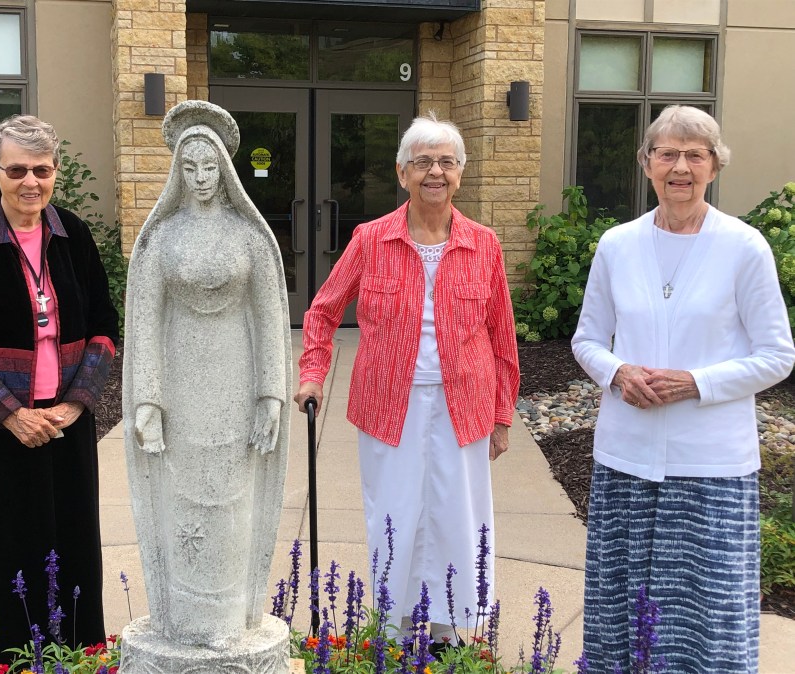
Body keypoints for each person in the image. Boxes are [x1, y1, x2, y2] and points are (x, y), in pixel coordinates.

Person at [572, 105, 795, 673]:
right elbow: (588, 340)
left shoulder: (745, 247)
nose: (681, 167)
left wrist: (698, 382)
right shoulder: (616, 245)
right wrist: (618, 372)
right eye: (667, 153)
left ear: (714, 166)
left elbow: (777, 355)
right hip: (626, 458)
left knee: (706, 613)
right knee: (620, 608)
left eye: (695, 155)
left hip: (711, 465)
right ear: (646, 164)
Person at [294, 113, 519, 651]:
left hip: (464, 403)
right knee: (395, 512)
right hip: (385, 404)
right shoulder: (370, 240)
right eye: (422, 163)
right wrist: (312, 377)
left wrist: (502, 415)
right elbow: (322, 312)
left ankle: (444, 630)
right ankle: (393, 628)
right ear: (402, 173)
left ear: (461, 174)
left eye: (445, 162)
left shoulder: (484, 244)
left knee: (455, 513)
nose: (434, 172)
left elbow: (502, 336)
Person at [0, 115, 118, 661]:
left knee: (72, 543)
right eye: (16, 170)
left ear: (54, 171)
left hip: (65, 424)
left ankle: (78, 658)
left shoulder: (72, 233)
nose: (30, 181)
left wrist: (78, 404)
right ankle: (2, 660)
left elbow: (105, 325)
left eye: (41, 169)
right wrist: (12, 414)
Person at [123, 100, 290, 647]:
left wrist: (272, 395)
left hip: (237, 379)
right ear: (178, 171)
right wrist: (146, 400)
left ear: (225, 171)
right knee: (186, 495)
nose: (199, 178)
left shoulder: (249, 239)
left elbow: (270, 320)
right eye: (189, 168)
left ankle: (225, 618)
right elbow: (144, 322)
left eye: (209, 168)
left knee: (231, 494)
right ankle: (186, 617)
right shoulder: (160, 240)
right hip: (179, 383)